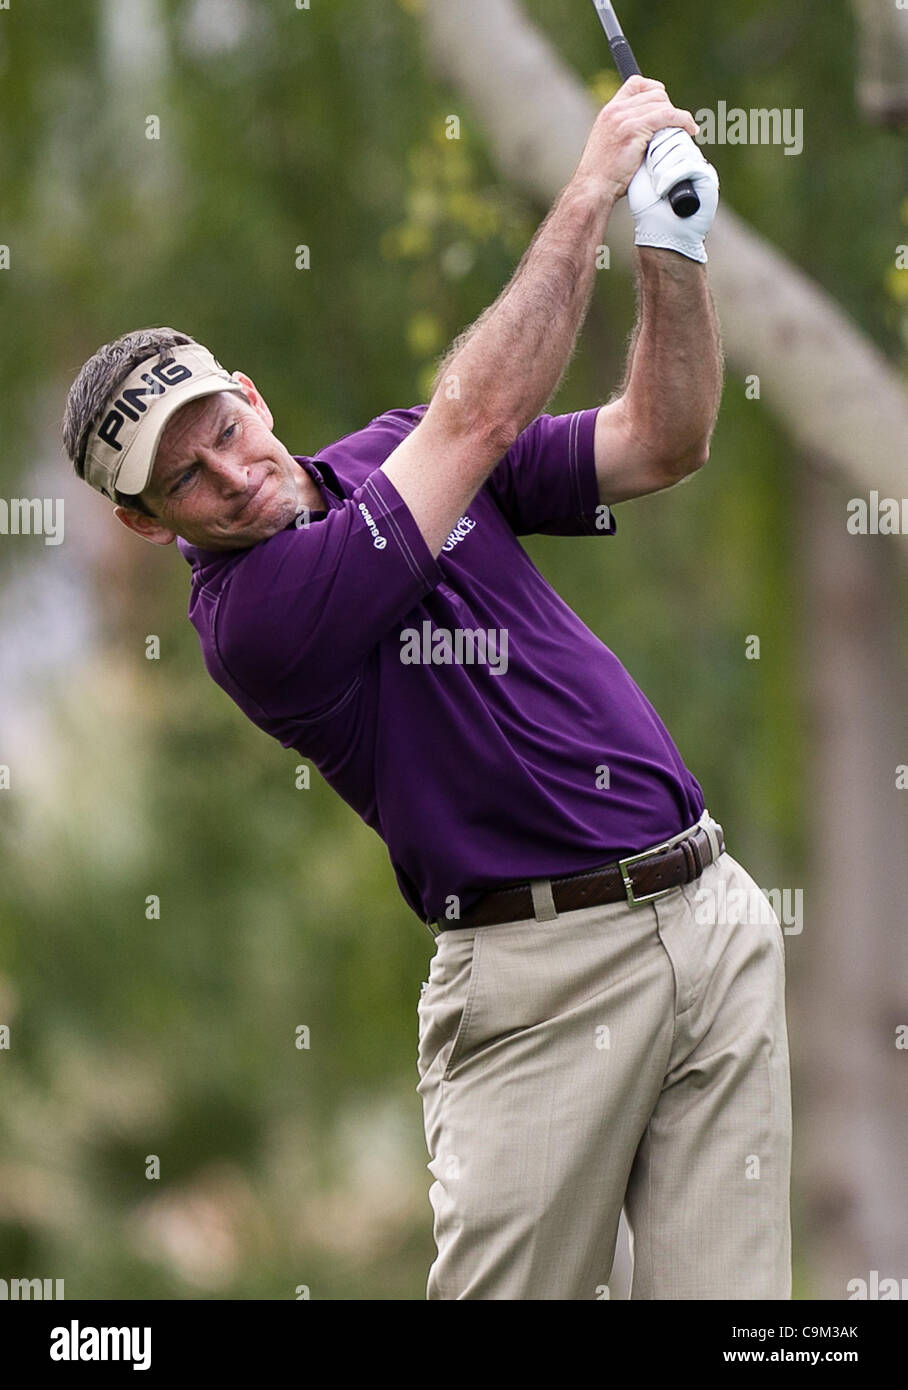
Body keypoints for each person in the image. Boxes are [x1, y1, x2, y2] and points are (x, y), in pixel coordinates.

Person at [63, 76, 791, 1300]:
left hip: (709, 914)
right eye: (182, 479)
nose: (229, 475)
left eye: (221, 430)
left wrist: (669, 246)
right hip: (540, 981)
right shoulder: (253, 618)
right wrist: (589, 187)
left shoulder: (389, 452)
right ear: (145, 524)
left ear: (252, 396)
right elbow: (482, 410)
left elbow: (660, 440)